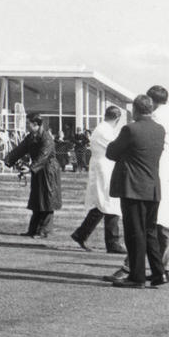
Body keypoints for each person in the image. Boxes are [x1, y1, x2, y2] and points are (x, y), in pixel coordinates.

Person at [105, 94, 167, 288]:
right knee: (150, 233)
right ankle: (159, 273)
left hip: (133, 187)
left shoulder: (130, 129)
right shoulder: (159, 129)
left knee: (134, 233)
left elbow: (111, 152)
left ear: (135, 110)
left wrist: (125, 153)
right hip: (152, 188)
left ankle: (137, 276)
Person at [70, 106, 127, 253]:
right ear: (117, 119)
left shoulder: (101, 129)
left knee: (103, 204)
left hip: (103, 168)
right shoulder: (105, 131)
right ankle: (112, 242)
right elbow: (118, 149)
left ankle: (81, 233)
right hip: (105, 169)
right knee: (110, 203)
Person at [4, 113, 63, 238]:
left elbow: (43, 157)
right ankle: (33, 230)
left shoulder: (46, 138)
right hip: (38, 170)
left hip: (49, 171)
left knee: (47, 201)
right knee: (37, 200)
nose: (26, 125)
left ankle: (44, 231)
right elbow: (20, 149)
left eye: (28, 123)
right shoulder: (31, 137)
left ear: (35, 124)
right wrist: (8, 160)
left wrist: (30, 169)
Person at [147, 84, 169, 282]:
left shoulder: (158, 117)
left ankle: (132, 265)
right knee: (164, 218)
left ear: (152, 101)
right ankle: (166, 267)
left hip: (158, 169)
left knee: (154, 218)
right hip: (166, 169)